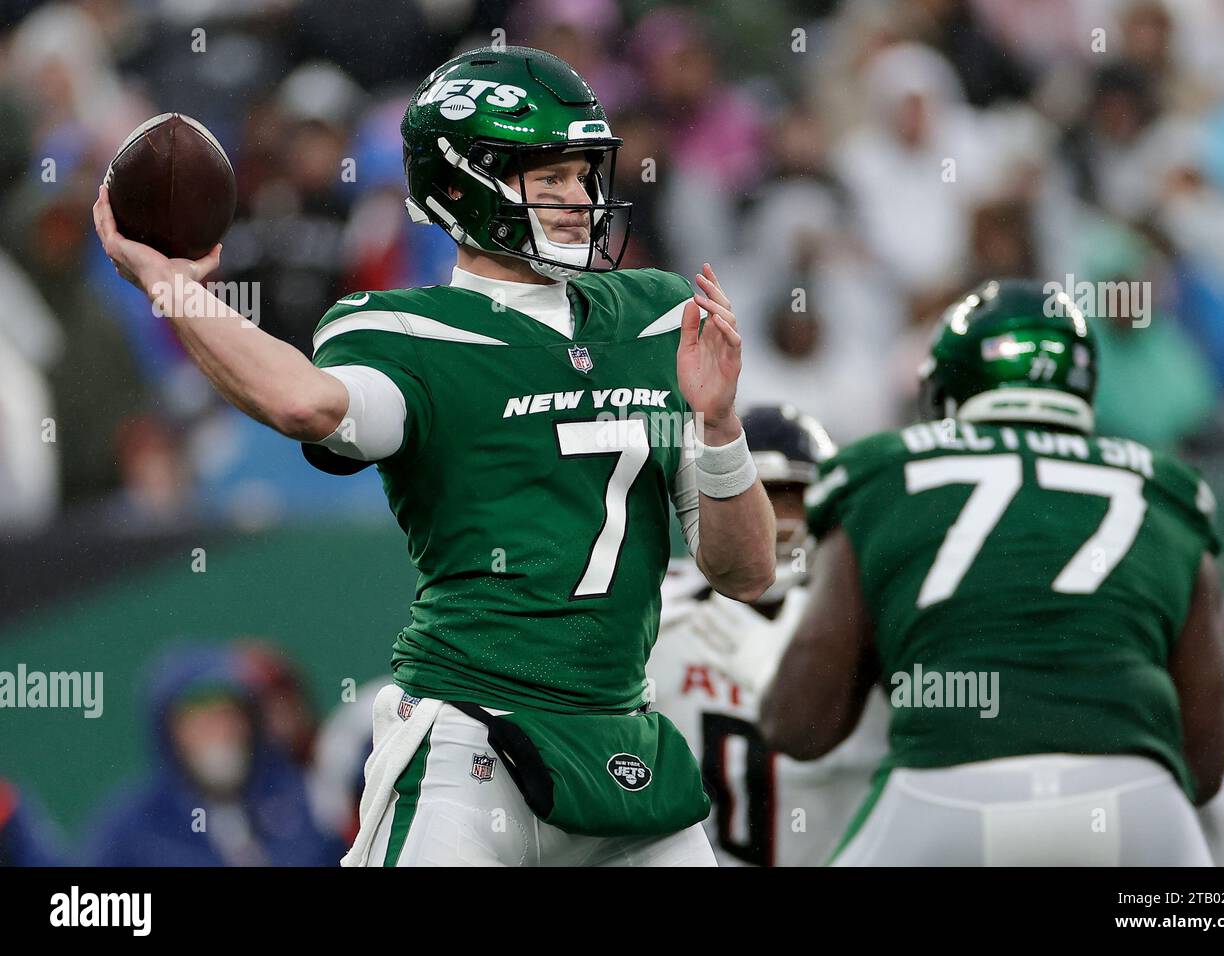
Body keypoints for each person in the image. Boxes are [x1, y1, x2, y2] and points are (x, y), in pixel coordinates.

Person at [92, 46, 775, 867]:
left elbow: (746, 569)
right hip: (470, 741)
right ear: (456, 187)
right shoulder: (410, 331)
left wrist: (721, 424)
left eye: (583, 175)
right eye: (546, 176)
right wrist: (171, 286)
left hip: (620, 744)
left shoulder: (658, 314)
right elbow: (305, 403)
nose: (577, 200)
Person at [761, 279, 1224, 866]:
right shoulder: (1169, 491)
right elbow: (1206, 758)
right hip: (1138, 806)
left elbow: (800, 723)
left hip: (948, 794)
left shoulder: (879, 473)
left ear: (947, 386)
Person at [647, 405, 888, 866]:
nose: (770, 518)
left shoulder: (872, 619)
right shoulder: (658, 618)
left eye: (788, 496)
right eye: (753, 494)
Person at [84, 645, 341, 867]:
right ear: (170, 737)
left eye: (226, 716)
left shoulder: (306, 794)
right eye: (198, 723)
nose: (217, 734)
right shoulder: (132, 830)